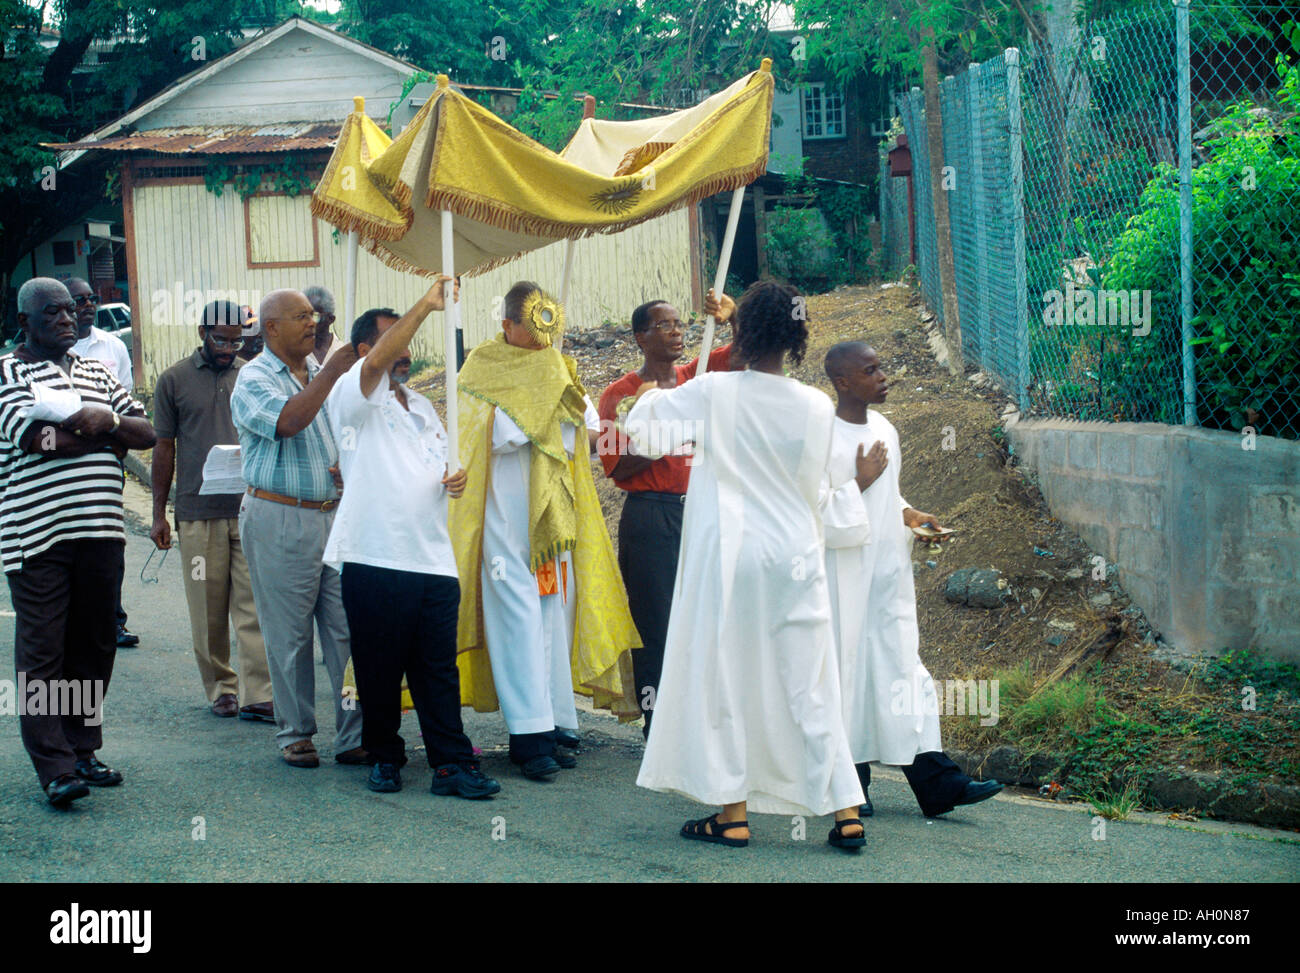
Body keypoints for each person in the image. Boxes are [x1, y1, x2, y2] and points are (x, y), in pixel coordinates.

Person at [628, 280, 866, 851]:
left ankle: (733, 814)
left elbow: (644, 433)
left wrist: (661, 386)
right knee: (811, 681)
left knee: (727, 676)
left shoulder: (714, 391)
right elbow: (825, 483)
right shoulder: (815, 404)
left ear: (740, 332)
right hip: (795, 556)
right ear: (795, 336)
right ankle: (846, 812)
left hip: (732, 557)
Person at [448, 280, 640, 780]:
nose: (538, 341)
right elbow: (475, 434)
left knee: (555, 612)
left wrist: (568, 404)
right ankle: (528, 736)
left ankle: (558, 720)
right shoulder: (479, 367)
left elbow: (588, 431)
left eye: (545, 330)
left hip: (552, 517)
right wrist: (537, 413)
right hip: (502, 520)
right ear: (507, 324)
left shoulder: (557, 366)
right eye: (529, 329)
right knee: (516, 619)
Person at [324, 285, 501, 798]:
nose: (406, 353)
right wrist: (423, 305)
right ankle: (385, 756)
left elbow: (441, 467)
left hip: (432, 557)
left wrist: (456, 479)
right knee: (379, 668)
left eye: (408, 344)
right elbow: (379, 359)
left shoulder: (421, 404)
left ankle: (450, 763)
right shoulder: (352, 394)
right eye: (394, 343)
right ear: (365, 351)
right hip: (375, 553)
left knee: (436, 670)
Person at [821, 341, 1003, 817]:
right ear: (842, 382)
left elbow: (890, 497)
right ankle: (849, 788)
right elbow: (814, 512)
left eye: (881, 366)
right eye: (870, 370)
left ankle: (938, 784)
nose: (884, 376)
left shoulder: (884, 428)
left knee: (903, 675)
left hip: (886, 581)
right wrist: (858, 481)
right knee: (846, 678)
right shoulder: (819, 436)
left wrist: (911, 517)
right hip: (841, 583)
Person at [0, 278, 156, 807]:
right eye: (53, 313)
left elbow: (146, 433)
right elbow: (37, 439)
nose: (68, 319)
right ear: (25, 321)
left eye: (71, 310)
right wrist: (100, 432)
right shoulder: (8, 371)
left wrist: (108, 419)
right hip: (37, 535)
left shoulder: (96, 369)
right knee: (44, 653)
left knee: (92, 646)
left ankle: (83, 748)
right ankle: (55, 768)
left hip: (101, 532)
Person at [230, 288, 364, 769]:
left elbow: (339, 435)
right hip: (280, 516)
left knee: (348, 630)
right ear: (271, 328)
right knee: (290, 636)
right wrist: (331, 373)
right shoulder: (254, 378)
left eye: (315, 316)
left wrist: (345, 466)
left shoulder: (318, 375)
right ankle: (296, 733)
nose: (313, 323)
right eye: (301, 317)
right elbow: (289, 421)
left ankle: (353, 735)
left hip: (335, 515)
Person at [596, 289, 736, 736]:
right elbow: (614, 465)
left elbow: (749, 356)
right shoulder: (618, 395)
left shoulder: (697, 376)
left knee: (708, 614)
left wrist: (732, 316)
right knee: (655, 620)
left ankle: (705, 715)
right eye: (664, 325)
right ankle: (658, 722)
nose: (677, 332)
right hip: (650, 517)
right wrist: (663, 436)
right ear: (640, 337)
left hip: (700, 512)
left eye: (680, 324)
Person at [150, 300, 273, 722]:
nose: (228, 348)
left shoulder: (251, 376)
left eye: (237, 341)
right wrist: (158, 514)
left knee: (252, 603)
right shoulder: (173, 380)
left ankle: (259, 692)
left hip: (248, 508)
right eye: (221, 339)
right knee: (206, 601)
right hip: (197, 514)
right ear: (202, 332)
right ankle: (221, 687)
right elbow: (163, 448)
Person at [67, 276, 138, 648]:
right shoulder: (42, 353)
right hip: (61, 466)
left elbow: (128, 410)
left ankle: (114, 619)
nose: (88, 305)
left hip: (106, 462)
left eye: (91, 298)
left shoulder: (112, 347)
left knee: (108, 540)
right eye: (79, 300)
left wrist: (115, 443)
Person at [304, 285, 342, 366]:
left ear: (331, 319)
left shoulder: (343, 352)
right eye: (303, 316)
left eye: (315, 316)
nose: (309, 322)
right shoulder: (294, 353)